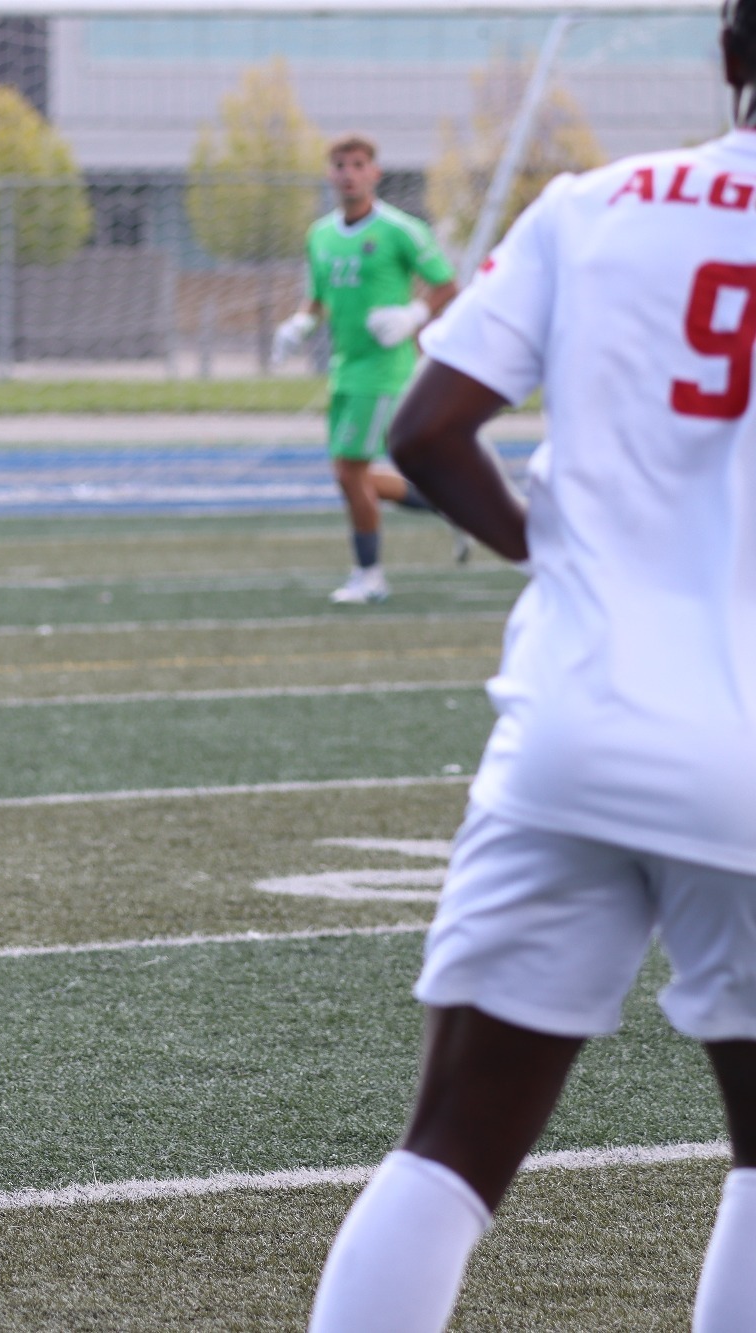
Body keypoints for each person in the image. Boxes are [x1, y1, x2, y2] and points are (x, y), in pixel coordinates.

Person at [305, 12, 756, 1328]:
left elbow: (431, 433)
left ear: (731, 53)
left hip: (573, 724)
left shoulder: (598, 202)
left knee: (445, 1154)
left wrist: (552, 552)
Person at [273, 134, 462, 605]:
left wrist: (413, 316)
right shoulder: (320, 234)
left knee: (349, 467)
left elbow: (446, 285)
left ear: (374, 173)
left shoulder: (400, 230)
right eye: (340, 165)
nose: (349, 173)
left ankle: (370, 575)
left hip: (385, 369)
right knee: (350, 475)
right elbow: (317, 297)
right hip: (346, 367)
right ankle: (455, 506)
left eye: (358, 164)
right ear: (330, 173)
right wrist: (299, 323)